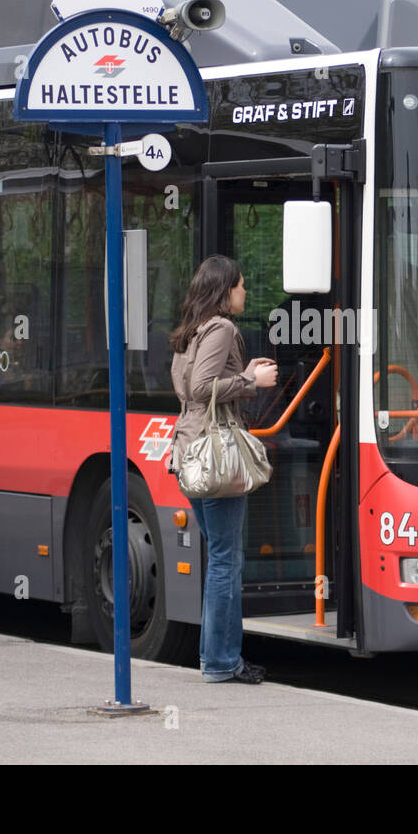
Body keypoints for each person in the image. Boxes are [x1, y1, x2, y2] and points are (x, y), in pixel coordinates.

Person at [169, 255, 278, 684]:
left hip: (189, 453)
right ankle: (220, 662)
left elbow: (188, 386)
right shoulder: (222, 328)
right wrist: (252, 381)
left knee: (220, 557)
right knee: (225, 561)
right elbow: (201, 389)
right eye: (240, 286)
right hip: (215, 456)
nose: (245, 292)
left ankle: (219, 658)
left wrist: (242, 375)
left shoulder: (191, 333)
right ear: (224, 290)